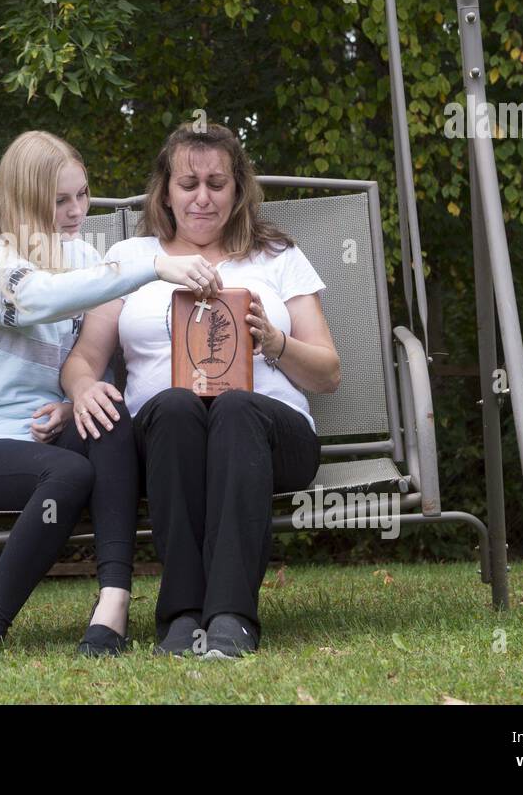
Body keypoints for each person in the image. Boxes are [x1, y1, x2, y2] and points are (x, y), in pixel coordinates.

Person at [0, 130, 220, 667]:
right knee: (68, 476)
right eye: (61, 200)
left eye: (83, 195)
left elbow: (83, 364)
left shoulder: (86, 254)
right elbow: (44, 297)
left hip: (52, 435)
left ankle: (112, 606)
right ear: (25, 198)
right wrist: (153, 266)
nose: (76, 211)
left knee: (106, 409)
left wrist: (75, 400)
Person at [61, 121, 341, 659]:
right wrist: (81, 391)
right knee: (174, 405)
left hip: (269, 434)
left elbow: (327, 373)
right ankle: (184, 614)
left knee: (236, 407)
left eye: (217, 183)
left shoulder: (277, 255)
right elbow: (84, 361)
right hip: (163, 441)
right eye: (188, 184)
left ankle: (232, 616)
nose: (203, 198)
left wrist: (276, 341)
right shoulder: (132, 256)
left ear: (238, 190)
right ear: (165, 190)